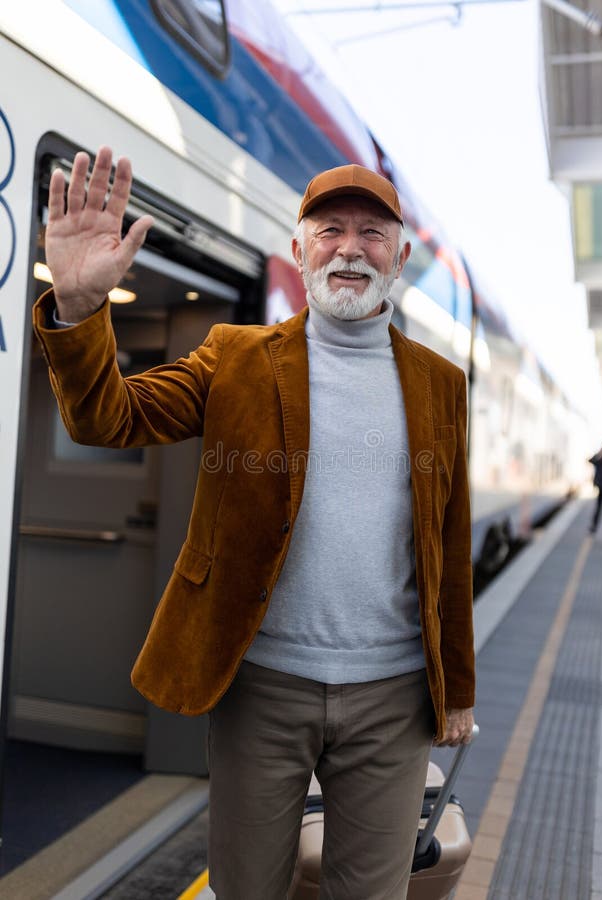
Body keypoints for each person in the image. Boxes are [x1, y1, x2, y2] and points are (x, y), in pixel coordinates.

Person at [33, 147, 476, 900]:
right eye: (329, 230)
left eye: (372, 233)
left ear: (399, 259)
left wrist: (456, 686)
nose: (349, 248)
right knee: (245, 890)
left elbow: (451, 538)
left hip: (393, 697)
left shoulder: (441, 384)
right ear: (300, 252)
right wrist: (78, 311)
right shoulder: (233, 357)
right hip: (264, 686)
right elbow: (109, 419)